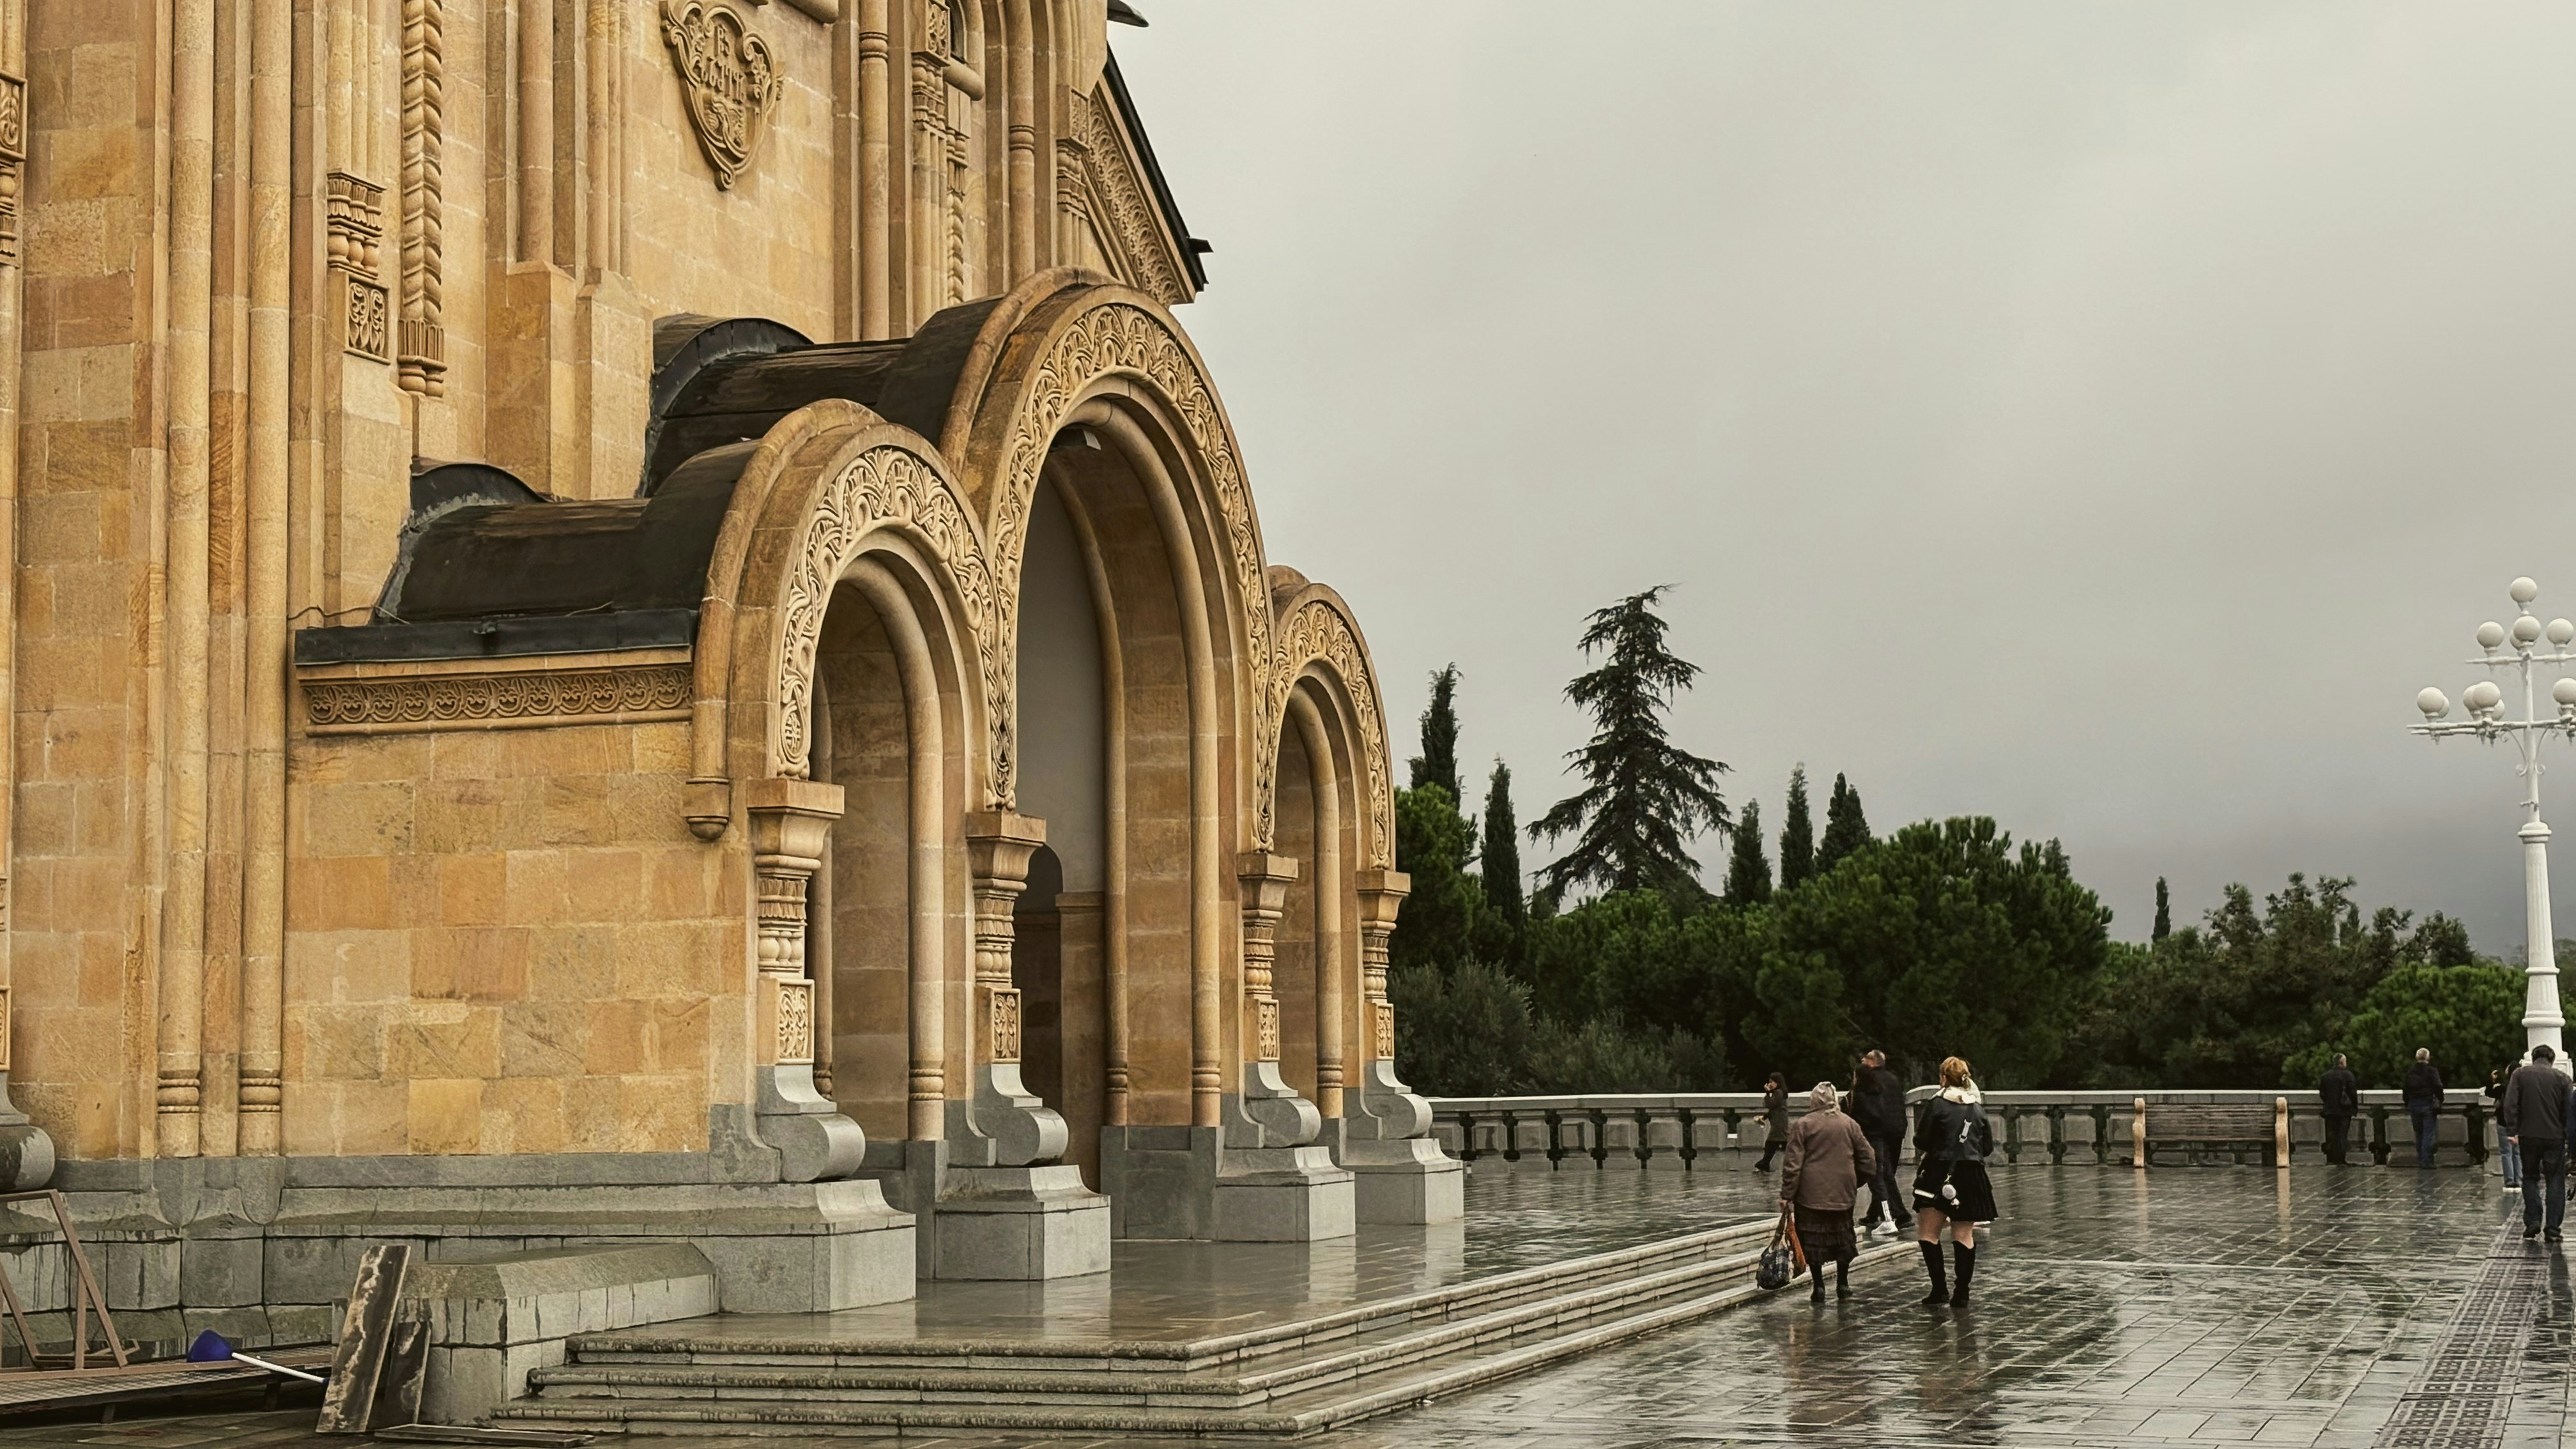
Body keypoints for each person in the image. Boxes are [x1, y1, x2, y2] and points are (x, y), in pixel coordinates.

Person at [1912, 1056, 1997, 1308]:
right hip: (1971, 1174)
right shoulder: (1977, 1108)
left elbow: (1921, 1140)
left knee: (1929, 1233)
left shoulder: (1937, 1104)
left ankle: (1939, 1289)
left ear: (1942, 1078)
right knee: (1964, 1234)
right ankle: (1962, 1293)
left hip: (1939, 1171)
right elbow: (1988, 1147)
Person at [1781, 1080, 1876, 1302]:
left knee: (1813, 1239)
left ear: (1814, 1101)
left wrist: (1787, 1194)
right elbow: (1869, 1158)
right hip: (1842, 1192)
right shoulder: (1849, 1124)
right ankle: (1843, 1284)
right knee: (1843, 1237)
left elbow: (1793, 1164)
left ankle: (1819, 1286)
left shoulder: (1803, 1125)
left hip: (1810, 1195)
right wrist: (1855, 1181)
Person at [2499, 1044, 2570, 1243]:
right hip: (2555, 1137)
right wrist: (2566, 1136)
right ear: (2552, 1060)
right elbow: (2568, 1111)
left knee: (2530, 1178)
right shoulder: (2562, 1079)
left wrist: (2513, 1130)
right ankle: (2553, 1228)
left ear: (2533, 1057)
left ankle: (2533, 1220)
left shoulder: (2520, 1075)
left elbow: (2511, 1103)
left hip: (2528, 1135)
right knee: (2555, 1180)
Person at [1850, 1050, 1908, 1237]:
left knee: (1881, 1174)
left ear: (1874, 1062)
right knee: (1886, 1174)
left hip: (1878, 1133)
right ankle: (1875, 1213)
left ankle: (1899, 1214)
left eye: (1865, 1058)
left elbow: (1869, 1110)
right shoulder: (1893, 1079)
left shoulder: (1869, 1082)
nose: (1862, 1060)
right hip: (1897, 1132)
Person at [2403, 1048, 2444, 1168]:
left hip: (2414, 1104)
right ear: (2427, 1058)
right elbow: (2438, 1086)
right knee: (2428, 1134)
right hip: (2427, 1104)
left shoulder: (2411, 1072)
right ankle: (2427, 1161)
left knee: (2419, 1133)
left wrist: (2407, 1102)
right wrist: (2440, 1100)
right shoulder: (2431, 1071)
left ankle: (2421, 1158)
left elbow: (2405, 1088)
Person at [2319, 1054, 2359, 1167]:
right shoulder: (2348, 1075)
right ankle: (2341, 1159)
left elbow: (2322, 1094)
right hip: (2344, 1110)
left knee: (2331, 1135)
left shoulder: (2325, 1076)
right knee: (2342, 1135)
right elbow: (2352, 1093)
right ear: (2342, 1062)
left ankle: (2331, 1159)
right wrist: (2354, 1107)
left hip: (2330, 1110)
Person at [2488, 1064, 2522, 1190]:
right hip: (2519, 1124)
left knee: (2506, 1152)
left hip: (2503, 1122)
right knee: (2517, 1153)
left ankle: (2509, 1180)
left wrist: (2492, 1080)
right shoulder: (2522, 1087)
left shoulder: (2502, 1088)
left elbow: (2489, 1092)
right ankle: (2519, 1179)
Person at [1754, 1072, 1789, 1172]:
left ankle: (1764, 1164)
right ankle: (1764, 1164)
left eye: (1772, 1082)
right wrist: (1765, 1117)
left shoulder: (1778, 1093)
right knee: (1781, 1144)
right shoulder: (1780, 1093)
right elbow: (1774, 1110)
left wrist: (1767, 1093)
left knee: (1771, 1143)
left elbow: (1770, 1105)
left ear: (1777, 1082)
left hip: (1779, 1125)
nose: (1770, 1084)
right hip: (1780, 1123)